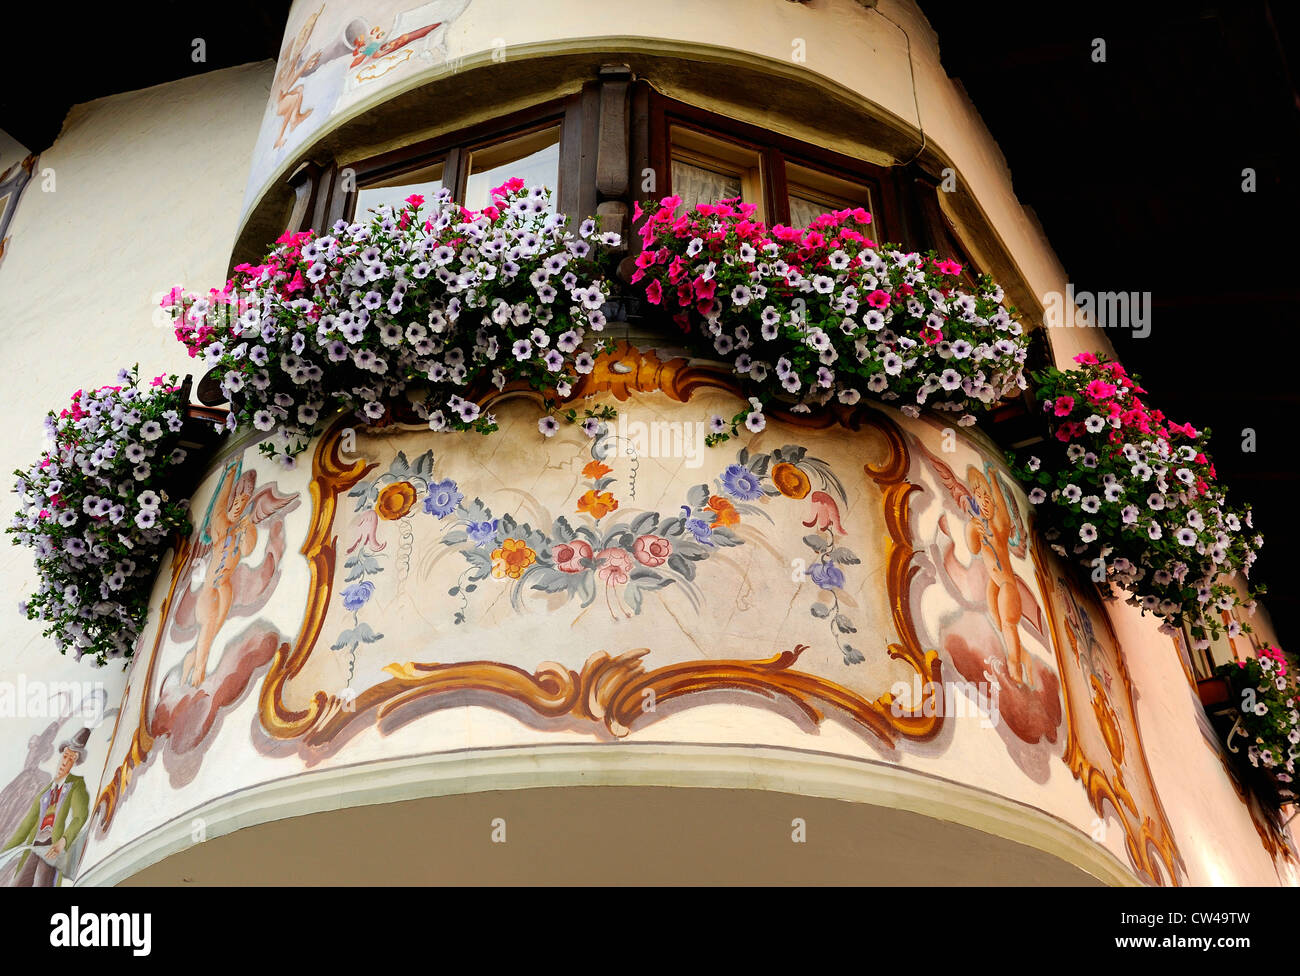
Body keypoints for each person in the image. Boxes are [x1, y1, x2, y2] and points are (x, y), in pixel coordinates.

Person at [3, 727, 90, 887]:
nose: (65, 762)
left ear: (75, 762)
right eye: (65, 756)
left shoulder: (77, 785)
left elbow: (80, 817)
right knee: (18, 884)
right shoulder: (45, 792)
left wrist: (63, 841)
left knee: (42, 883)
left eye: (71, 758)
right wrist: (3, 853)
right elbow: (25, 826)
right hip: (35, 847)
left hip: (52, 848)